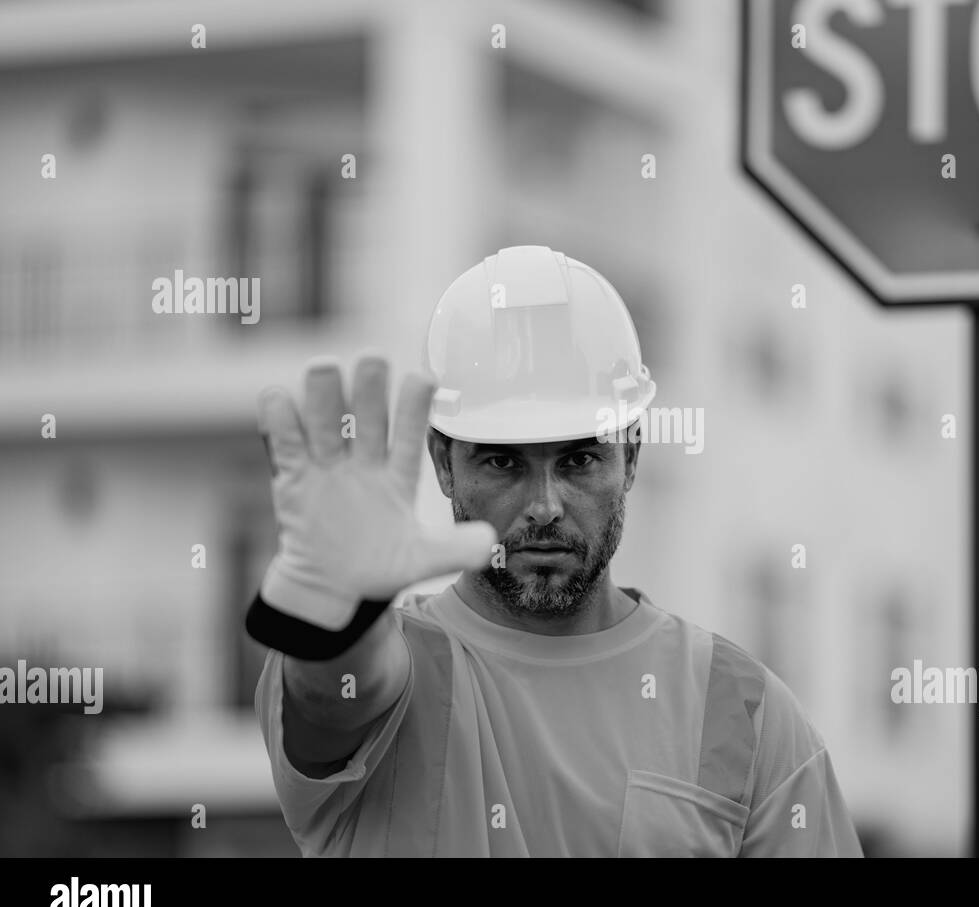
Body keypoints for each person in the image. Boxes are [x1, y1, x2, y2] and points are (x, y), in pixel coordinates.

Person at [248, 246, 863, 857]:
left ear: (631, 460)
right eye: (502, 460)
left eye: (579, 458)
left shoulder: (743, 708)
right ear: (443, 463)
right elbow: (338, 695)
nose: (544, 505)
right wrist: (336, 615)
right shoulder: (396, 659)